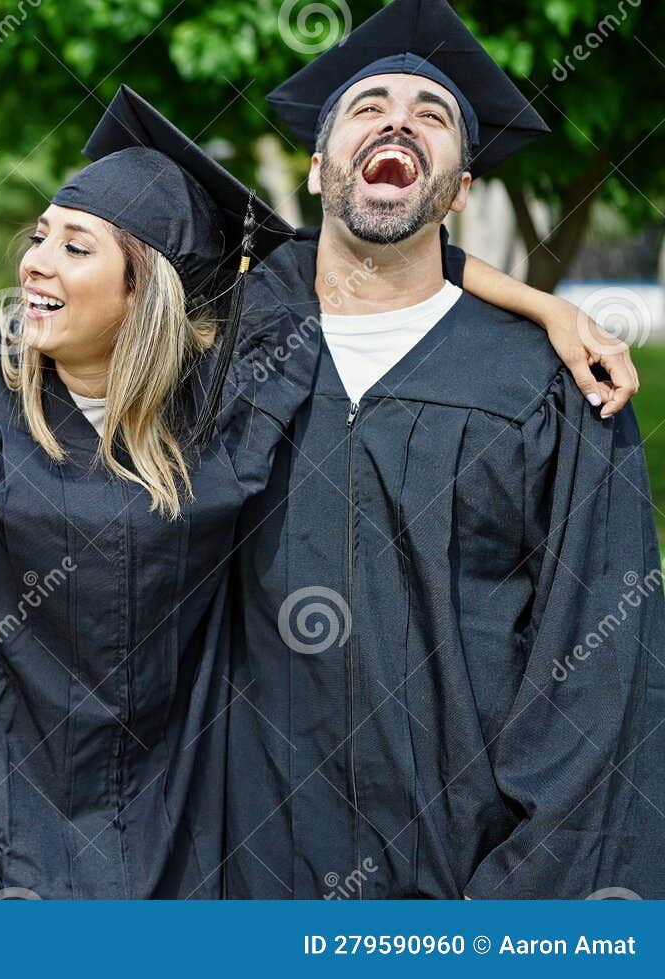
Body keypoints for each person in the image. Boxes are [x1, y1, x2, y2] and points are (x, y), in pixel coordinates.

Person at [222, 0, 664, 898]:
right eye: (368, 106)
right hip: (245, 861)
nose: (397, 120)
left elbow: (603, 669)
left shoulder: (550, 385)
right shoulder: (227, 348)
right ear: (317, 170)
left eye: (432, 114)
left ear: (460, 189)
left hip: (468, 870)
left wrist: (526, 888)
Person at [0, 85, 296, 898]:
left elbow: (358, 269)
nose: (34, 261)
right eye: (40, 237)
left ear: (145, 290)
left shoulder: (227, 422)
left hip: (178, 845)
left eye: (76, 246)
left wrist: (541, 307)